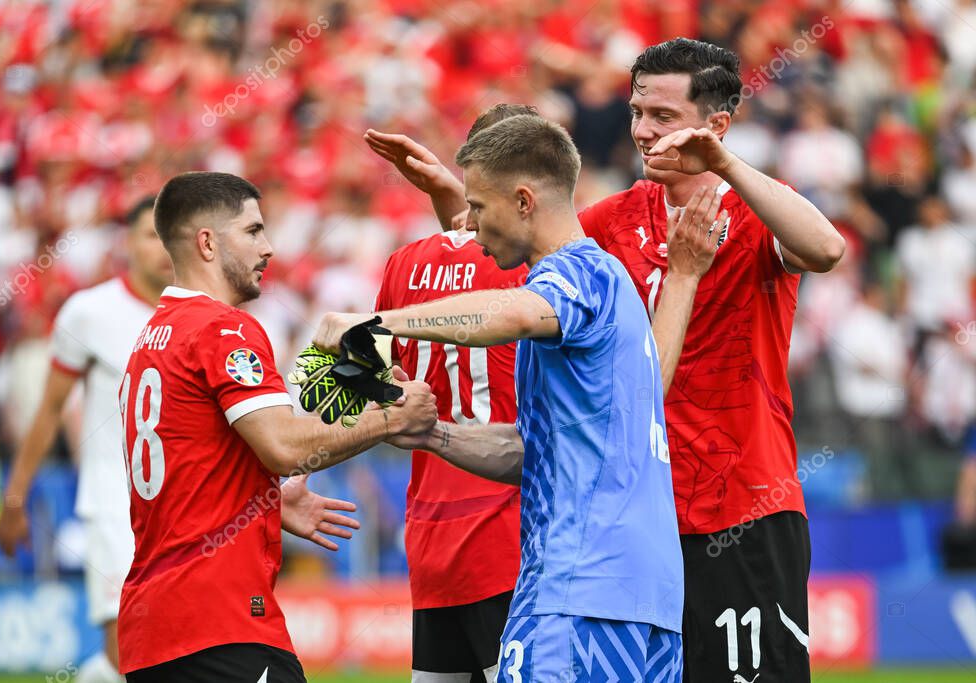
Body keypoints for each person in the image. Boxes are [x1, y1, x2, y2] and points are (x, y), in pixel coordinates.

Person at [363, 38, 846, 683]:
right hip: (635, 521)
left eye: (664, 117)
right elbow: (522, 237)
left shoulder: (752, 214)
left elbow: (827, 249)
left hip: (741, 508)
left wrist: (727, 168)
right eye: (636, 112)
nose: (644, 132)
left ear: (717, 126)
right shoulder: (611, 222)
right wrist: (459, 198)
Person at [316, 115, 721, 681]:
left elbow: (512, 313)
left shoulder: (572, 276)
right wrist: (437, 435)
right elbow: (537, 452)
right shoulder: (614, 288)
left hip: (568, 590)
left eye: (478, 208)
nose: (471, 230)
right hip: (641, 600)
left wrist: (374, 323)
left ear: (524, 200)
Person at [118, 171, 436, 682]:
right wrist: (391, 416)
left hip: (153, 631)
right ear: (207, 242)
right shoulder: (224, 327)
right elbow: (283, 447)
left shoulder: (150, 338)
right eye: (253, 231)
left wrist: (260, 498)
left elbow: (192, 460)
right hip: (220, 621)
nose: (269, 248)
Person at [373, 104, 532, 683]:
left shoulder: (402, 264)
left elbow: (369, 374)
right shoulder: (533, 267)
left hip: (430, 529)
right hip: (508, 527)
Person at [0, 196, 173, 683]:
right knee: (126, 650)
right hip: (113, 499)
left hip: (185, 507)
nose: (160, 248)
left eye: (168, 235)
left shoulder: (202, 315)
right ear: (127, 244)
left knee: (172, 648)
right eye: (148, 235)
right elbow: (50, 409)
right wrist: (15, 497)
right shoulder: (89, 312)